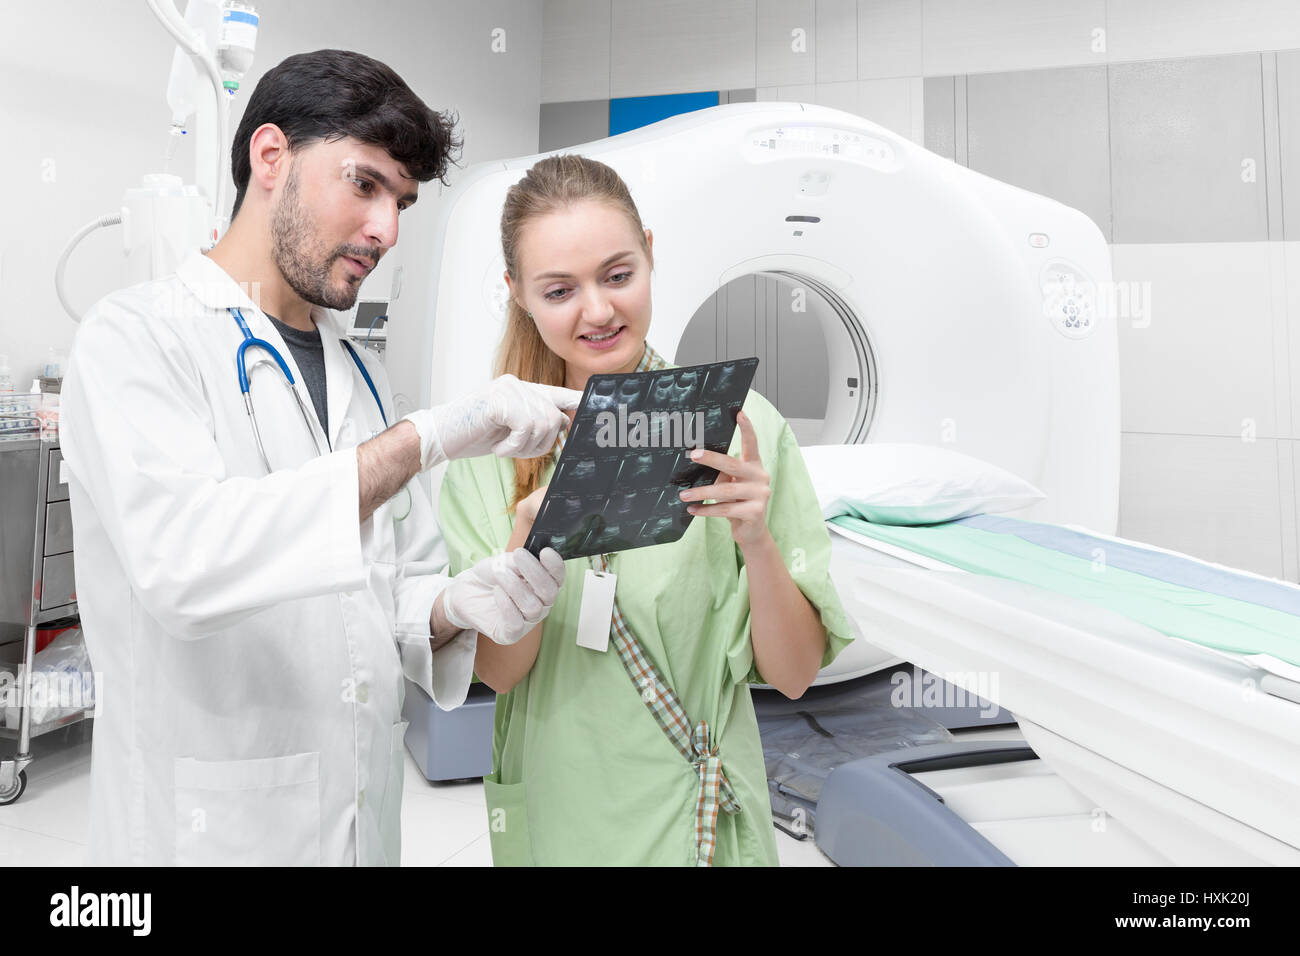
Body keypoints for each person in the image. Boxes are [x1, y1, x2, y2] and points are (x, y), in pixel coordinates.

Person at [59, 50, 577, 866]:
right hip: (211, 828)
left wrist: (458, 607)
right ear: (271, 157)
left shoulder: (360, 370)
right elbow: (184, 563)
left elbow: (387, 585)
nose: (388, 230)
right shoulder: (136, 338)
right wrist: (428, 437)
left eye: (402, 202)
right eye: (364, 183)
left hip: (362, 822)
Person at [437, 155, 854, 866]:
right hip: (565, 806)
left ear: (651, 256)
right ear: (518, 294)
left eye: (618, 275)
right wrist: (524, 548)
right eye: (560, 289)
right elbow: (500, 676)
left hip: (698, 808)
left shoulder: (742, 429)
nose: (597, 311)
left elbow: (794, 676)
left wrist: (757, 540)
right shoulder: (490, 450)